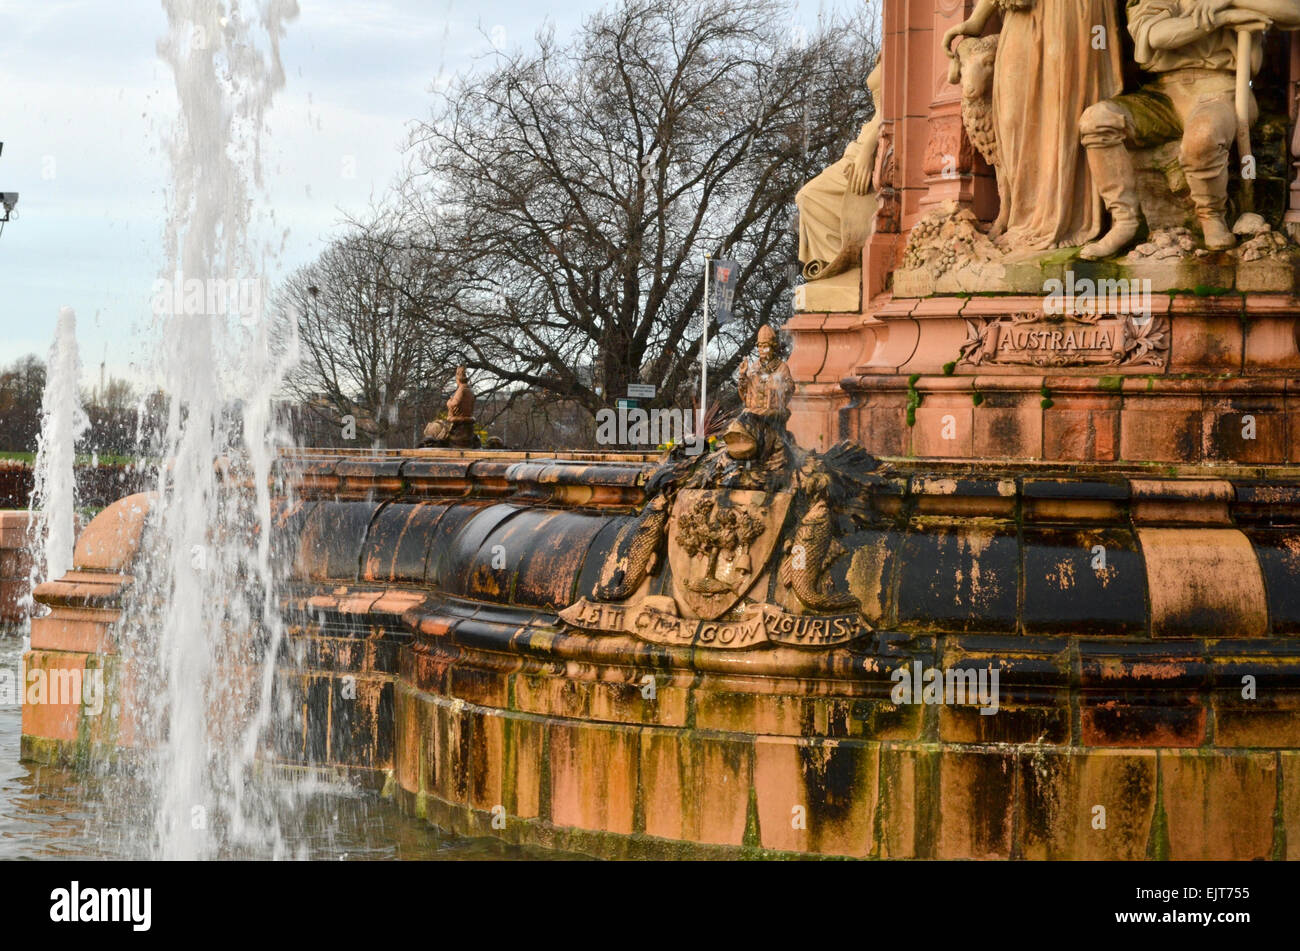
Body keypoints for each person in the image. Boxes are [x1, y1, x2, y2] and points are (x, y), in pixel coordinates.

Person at [1079, 0, 1300, 258]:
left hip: (1223, 89)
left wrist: (1226, 0)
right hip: (1166, 93)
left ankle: (1211, 216)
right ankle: (1125, 220)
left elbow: (1293, 12)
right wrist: (1222, 17)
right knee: (1097, 120)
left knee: (1202, 136)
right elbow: (1156, 35)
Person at [943, 0, 1124, 252]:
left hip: (1068, 11)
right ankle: (1023, 215)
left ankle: (1061, 217)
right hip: (1019, 15)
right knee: (1011, 116)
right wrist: (977, 20)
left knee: (1061, 107)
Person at [795, 61, 884, 280]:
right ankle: (837, 266)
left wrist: (868, 152)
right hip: (865, 141)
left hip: (872, 145)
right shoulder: (891, 41)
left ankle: (841, 266)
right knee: (807, 197)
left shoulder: (905, 43)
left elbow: (899, 105)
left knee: (809, 196)